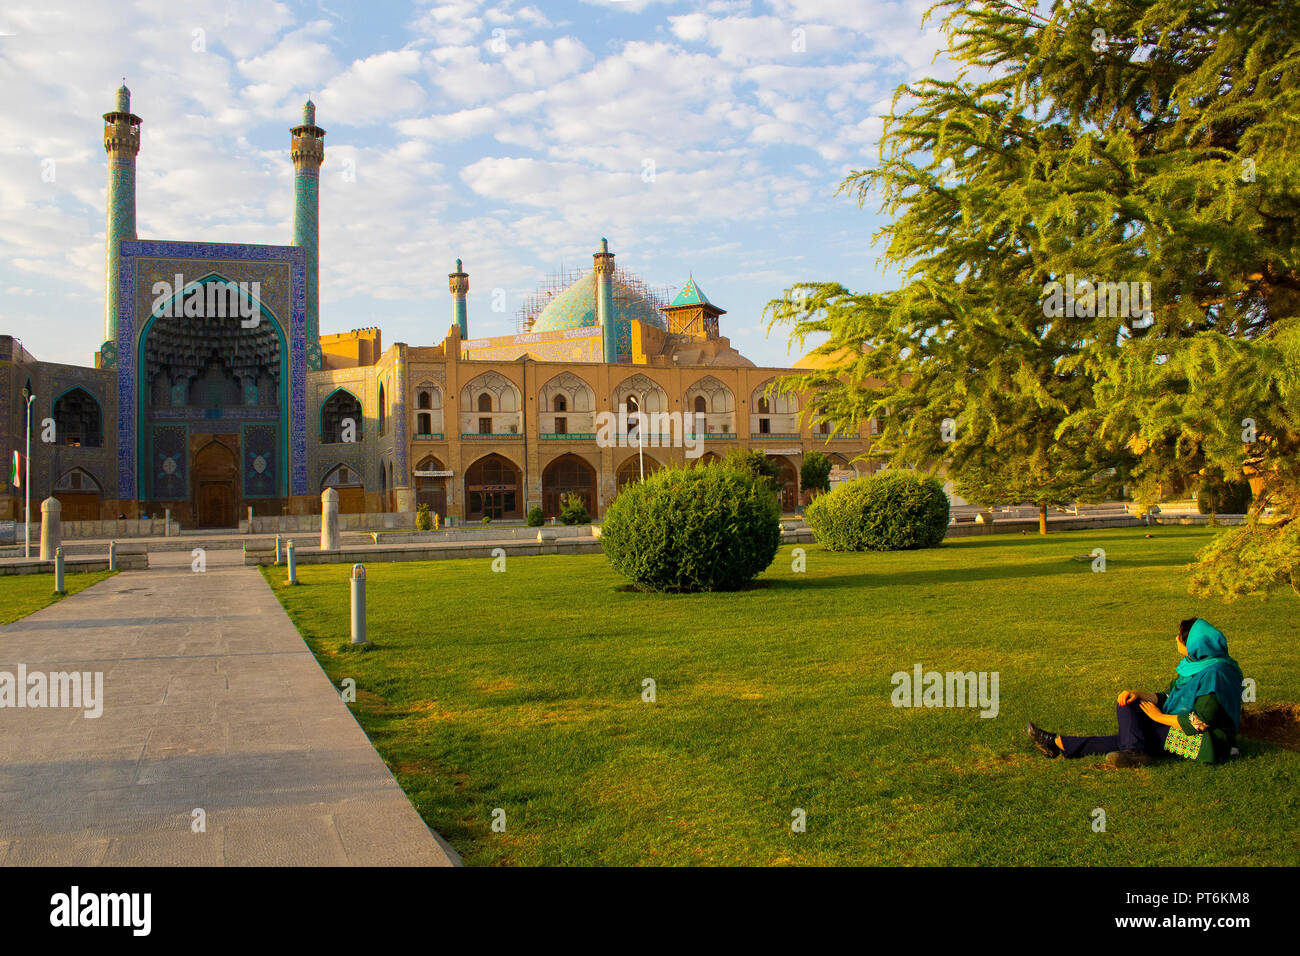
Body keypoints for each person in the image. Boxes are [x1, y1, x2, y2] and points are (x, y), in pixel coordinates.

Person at [1027, 618, 1243, 768]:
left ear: (1194, 644)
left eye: (1179, 637)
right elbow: (1170, 696)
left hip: (1204, 743)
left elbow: (1200, 723)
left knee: (1140, 734)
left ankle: (1059, 743)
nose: (1175, 639)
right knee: (1128, 703)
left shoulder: (1217, 674)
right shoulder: (1195, 664)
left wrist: (1159, 717)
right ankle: (1133, 752)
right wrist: (1140, 694)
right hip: (1178, 728)